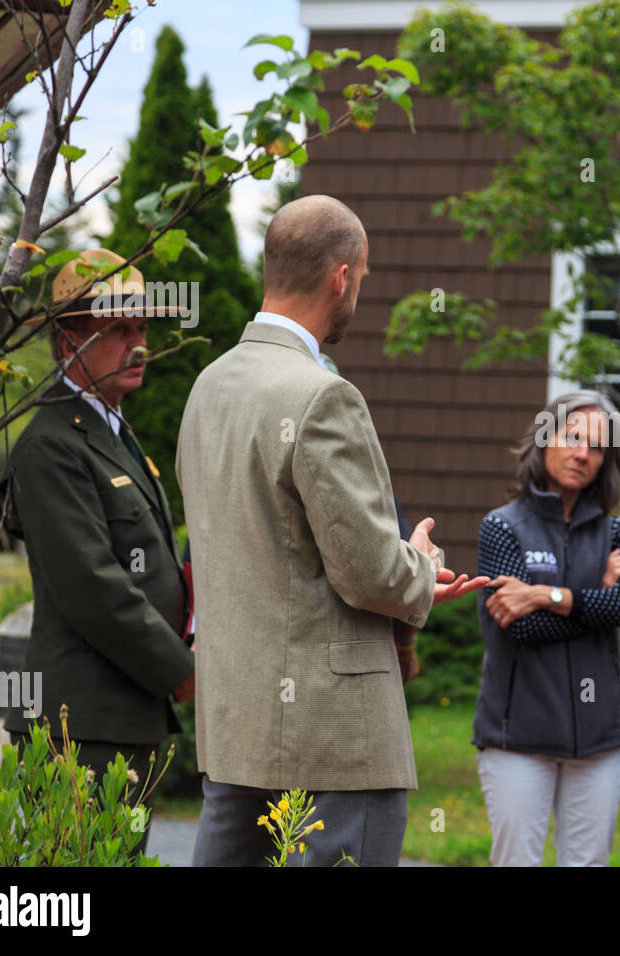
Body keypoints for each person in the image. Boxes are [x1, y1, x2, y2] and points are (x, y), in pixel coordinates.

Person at [177, 195, 487, 867]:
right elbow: (370, 571)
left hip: (237, 727)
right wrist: (422, 567)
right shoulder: (322, 396)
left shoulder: (207, 388)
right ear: (341, 276)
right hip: (332, 739)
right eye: (364, 276)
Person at [0, 249, 196, 853]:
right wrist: (183, 672)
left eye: (141, 328)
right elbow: (93, 585)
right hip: (76, 726)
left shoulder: (113, 429)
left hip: (118, 716)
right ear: (67, 344)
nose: (137, 344)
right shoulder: (51, 444)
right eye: (116, 331)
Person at [472, 391, 620, 866]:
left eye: (597, 446)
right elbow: (518, 629)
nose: (583, 452)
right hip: (516, 736)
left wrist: (548, 596)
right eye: (572, 436)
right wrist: (595, 599)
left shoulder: (615, 533)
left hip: (599, 738)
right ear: (543, 440)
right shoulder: (501, 528)